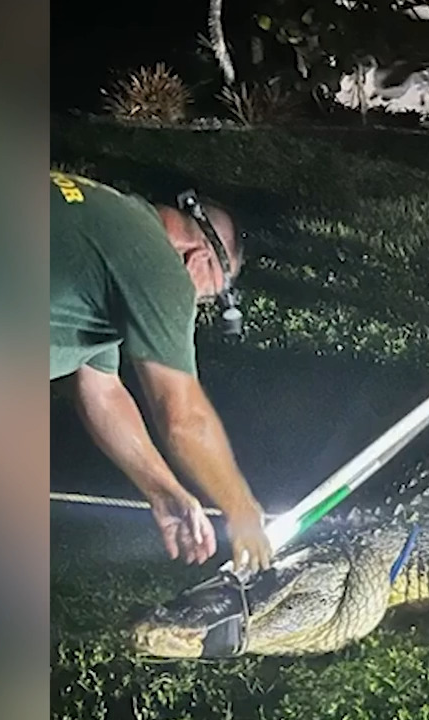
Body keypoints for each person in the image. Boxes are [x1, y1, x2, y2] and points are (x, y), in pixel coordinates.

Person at [49, 169, 273, 575]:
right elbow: (183, 419)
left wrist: (164, 490)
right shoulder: (158, 268)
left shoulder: (113, 221)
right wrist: (241, 508)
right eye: (207, 297)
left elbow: (102, 392)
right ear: (201, 258)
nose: (195, 306)